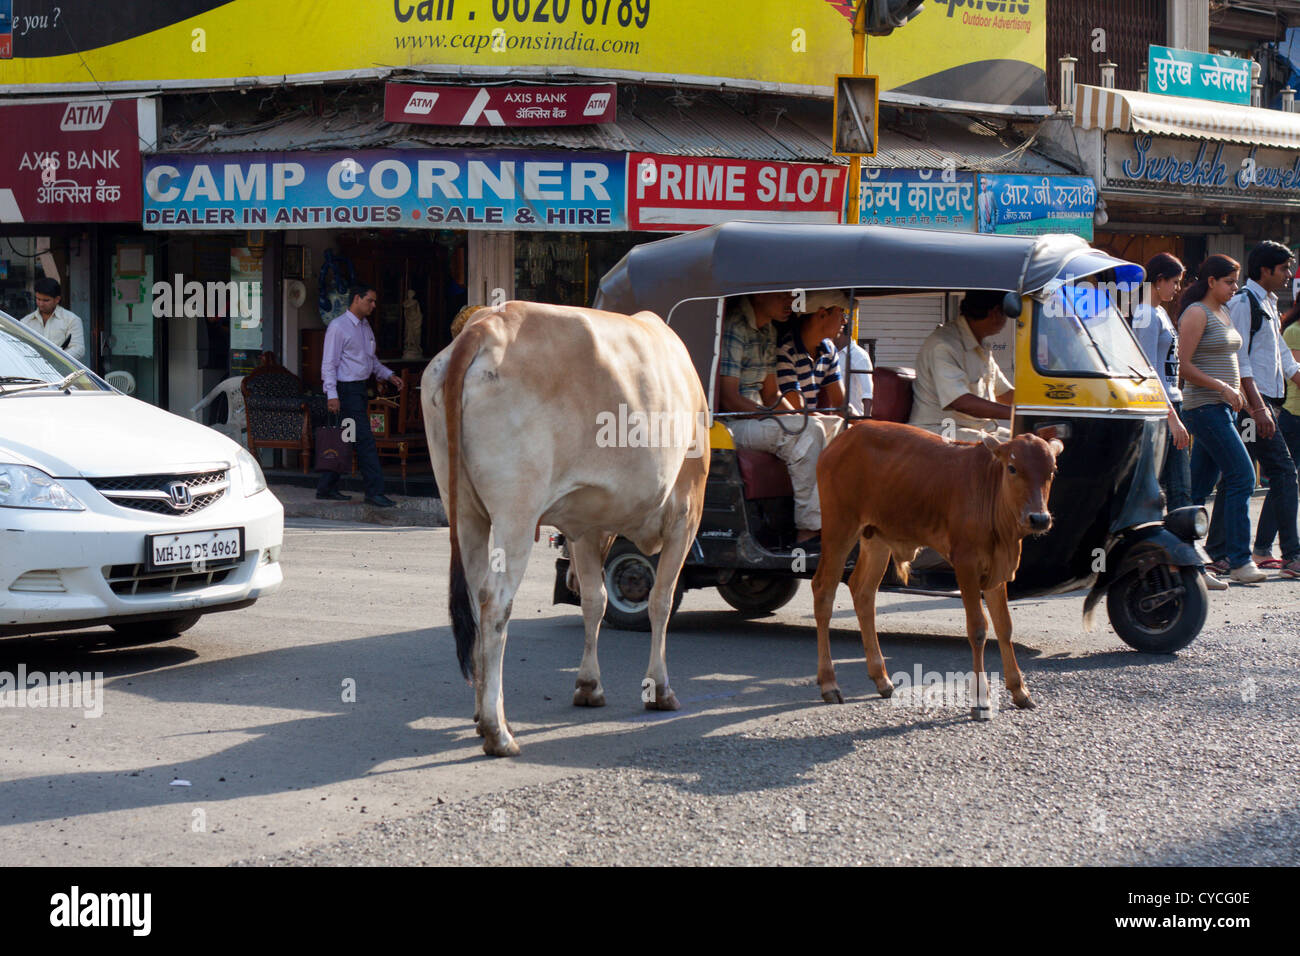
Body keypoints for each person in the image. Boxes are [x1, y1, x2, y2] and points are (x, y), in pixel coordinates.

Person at [1208, 240, 1300, 577]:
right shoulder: (1245, 303)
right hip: (1252, 405)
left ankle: (1220, 551)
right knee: (1283, 473)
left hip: (1268, 404)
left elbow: (1283, 358)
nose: (1288, 275)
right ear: (1265, 270)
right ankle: (1291, 555)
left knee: (1237, 478)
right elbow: (1239, 358)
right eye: (1284, 269)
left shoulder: (1271, 303)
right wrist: (1258, 408)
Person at [718, 290, 836, 548]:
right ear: (759, 296)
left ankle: (840, 520)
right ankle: (809, 529)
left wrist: (797, 415)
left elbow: (771, 392)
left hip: (758, 419)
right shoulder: (735, 327)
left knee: (834, 427)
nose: (790, 303)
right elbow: (728, 397)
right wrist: (778, 418)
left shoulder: (768, 331)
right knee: (806, 431)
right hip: (730, 424)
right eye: (782, 295)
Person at [1177, 255, 1266, 583]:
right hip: (1204, 408)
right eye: (1228, 281)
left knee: (1196, 489)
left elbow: (1234, 359)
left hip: (1223, 409)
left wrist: (1238, 396)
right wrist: (1223, 388)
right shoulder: (1196, 313)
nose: (1234, 287)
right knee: (1243, 476)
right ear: (1211, 281)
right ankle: (1239, 560)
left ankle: (1190, 563)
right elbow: (1183, 367)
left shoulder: (1224, 312)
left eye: (1235, 281)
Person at [317, 284, 403, 508]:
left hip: (360, 389)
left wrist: (389, 375)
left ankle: (326, 487)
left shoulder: (365, 327)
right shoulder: (338, 327)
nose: (374, 305)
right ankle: (374, 492)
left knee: (346, 439)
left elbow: (370, 360)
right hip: (346, 391)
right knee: (364, 440)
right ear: (357, 299)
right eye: (370, 300)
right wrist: (332, 395)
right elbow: (329, 363)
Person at [909, 289, 1014, 442]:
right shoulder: (944, 345)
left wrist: (1043, 405)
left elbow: (1004, 393)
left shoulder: (980, 346)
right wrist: (1016, 414)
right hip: (942, 431)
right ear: (995, 312)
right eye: (1006, 313)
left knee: (1031, 441)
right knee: (1020, 454)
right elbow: (962, 402)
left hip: (977, 429)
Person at [1130, 253, 1192, 511]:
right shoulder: (1146, 314)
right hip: (1160, 408)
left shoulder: (1159, 313)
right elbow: (1147, 370)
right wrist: (1171, 417)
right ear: (1158, 280)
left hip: (1170, 402)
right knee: (1177, 485)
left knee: (1176, 483)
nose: (1178, 289)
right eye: (1174, 282)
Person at [775, 290, 847, 411]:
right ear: (822, 314)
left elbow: (841, 404)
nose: (844, 321)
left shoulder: (829, 350)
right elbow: (797, 410)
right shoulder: (786, 351)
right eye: (841, 312)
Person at [20, 277, 86, 361]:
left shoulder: (72, 320)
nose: (41, 304)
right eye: (38, 299)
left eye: (46, 300)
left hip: (62, 372)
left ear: (57, 299)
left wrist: (56, 360)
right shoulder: (26, 322)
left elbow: (78, 349)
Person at [834, 314, 874, 419]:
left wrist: (865, 422)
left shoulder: (859, 356)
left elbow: (868, 393)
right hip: (835, 417)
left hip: (853, 420)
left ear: (841, 330)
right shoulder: (831, 354)